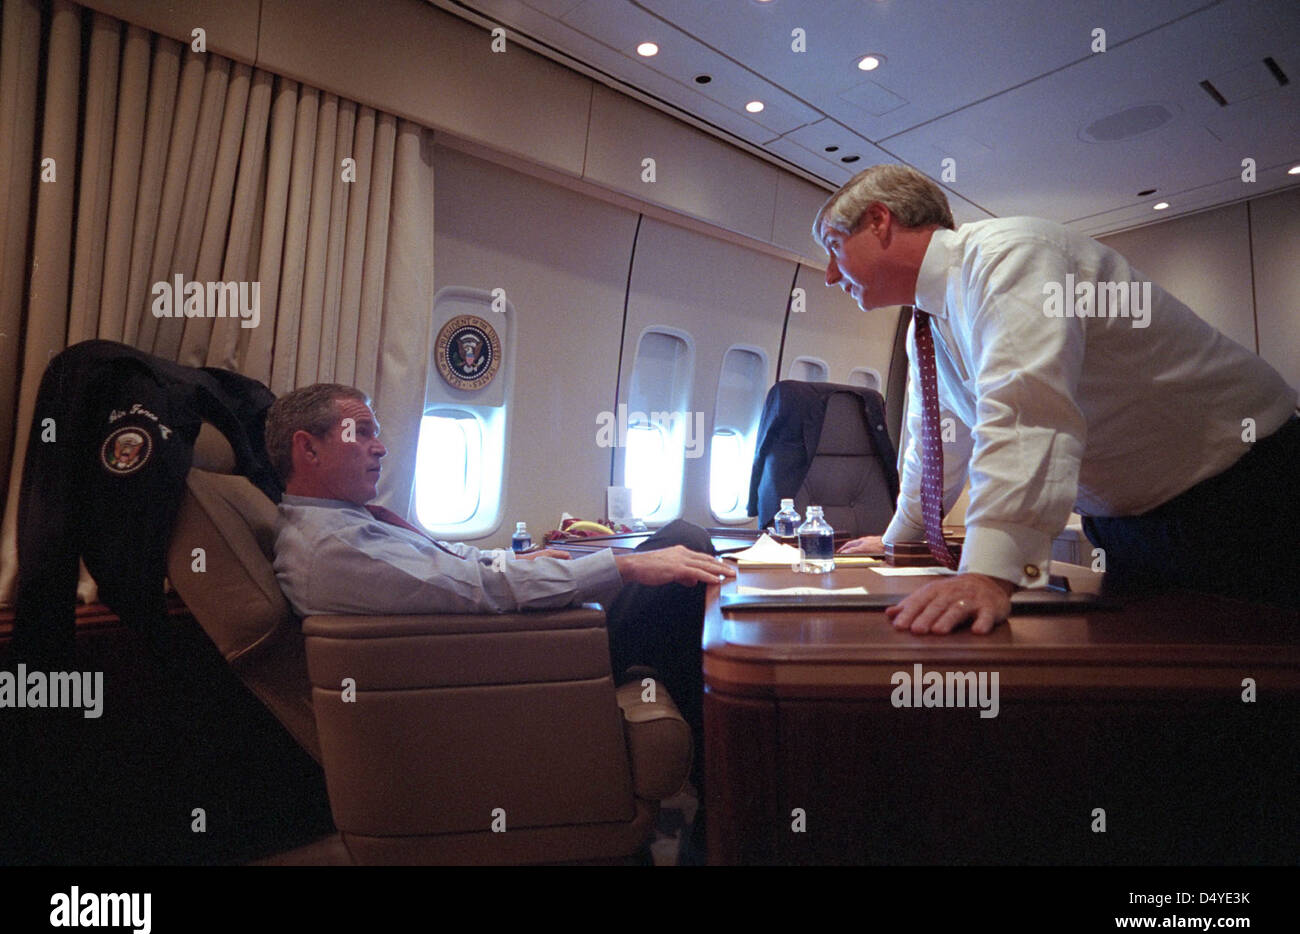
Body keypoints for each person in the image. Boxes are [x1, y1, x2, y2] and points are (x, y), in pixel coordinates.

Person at [815, 164, 1298, 633]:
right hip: (1130, 527)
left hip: (1248, 493)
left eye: (835, 247)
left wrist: (988, 575)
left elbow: (1028, 410)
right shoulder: (926, 327)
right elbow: (938, 446)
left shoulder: (1010, 255)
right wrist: (898, 540)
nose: (831, 276)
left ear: (879, 221)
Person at [264, 383, 735, 786]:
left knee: (676, 560)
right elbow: (480, 588)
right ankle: (725, 785)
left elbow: (453, 559)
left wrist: (516, 556)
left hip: (499, 641)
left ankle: (713, 776)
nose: (381, 448)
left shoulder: (345, 524)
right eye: (361, 433)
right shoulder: (334, 549)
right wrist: (625, 567)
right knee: (681, 557)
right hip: (505, 657)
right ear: (308, 449)